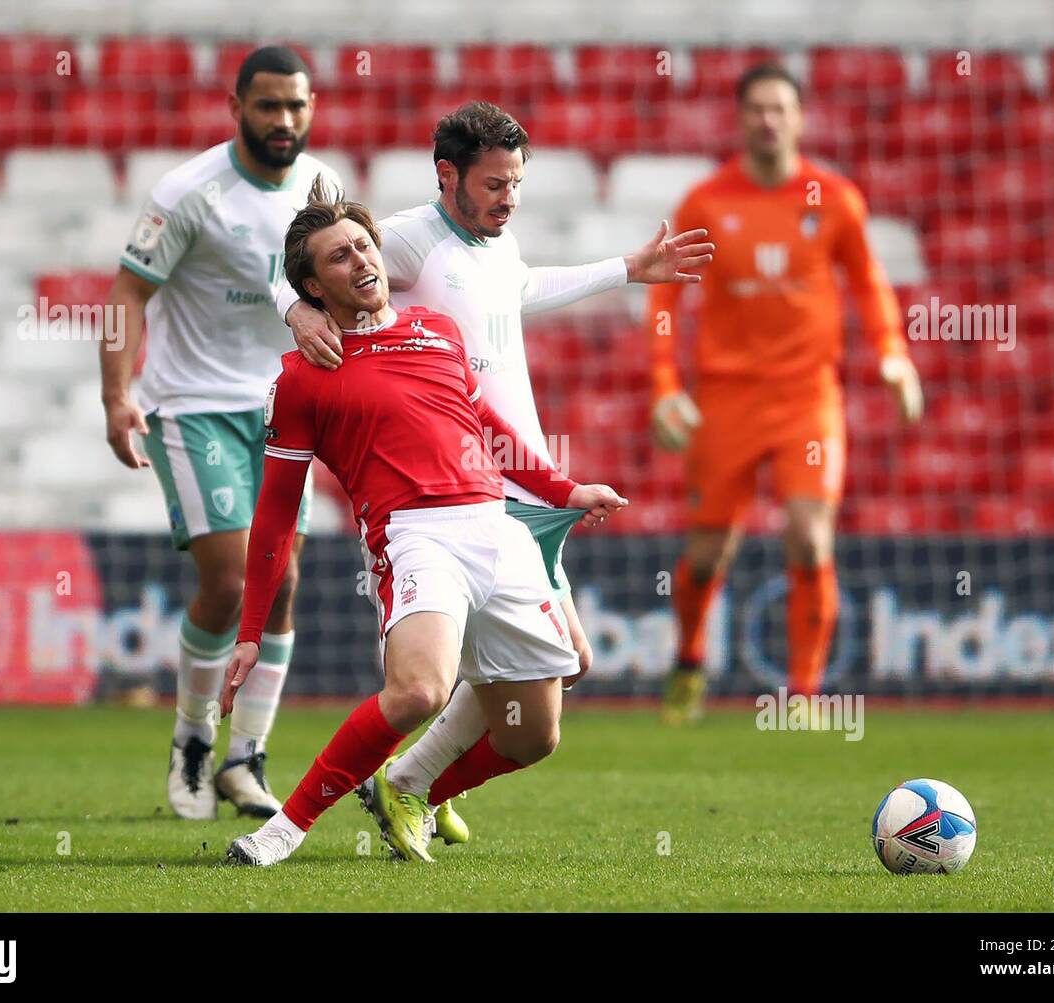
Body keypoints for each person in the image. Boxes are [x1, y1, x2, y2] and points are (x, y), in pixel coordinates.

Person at [275, 102, 711, 841]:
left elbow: (521, 288)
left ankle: (413, 782)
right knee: (560, 664)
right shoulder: (411, 237)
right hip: (474, 488)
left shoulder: (495, 243)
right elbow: (301, 253)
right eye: (494, 183)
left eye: (516, 182)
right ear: (448, 175)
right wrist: (294, 310)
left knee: (557, 666)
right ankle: (411, 784)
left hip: (523, 477)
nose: (509, 197)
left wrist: (625, 271)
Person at [222, 179, 627, 865]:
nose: (360, 261)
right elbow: (276, 511)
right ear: (313, 289)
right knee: (417, 691)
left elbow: (489, 427)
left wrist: (564, 487)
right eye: (338, 258)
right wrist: (252, 631)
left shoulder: (436, 330)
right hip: (415, 536)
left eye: (362, 245)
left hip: (498, 527)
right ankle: (280, 831)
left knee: (534, 735)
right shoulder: (302, 376)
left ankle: (413, 783)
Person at [102, 46, 344, 818]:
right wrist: (116, 396)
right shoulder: (189, 192)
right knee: (233, 578)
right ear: (235, 106)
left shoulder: (323, 186)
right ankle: (194, 739)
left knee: (285, 585)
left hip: (283, 406)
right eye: (268, 105)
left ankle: (247, 758)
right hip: (193, 401)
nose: (284, 121)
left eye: (297, 106)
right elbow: (126, 294)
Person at [647, 63, 923, 724]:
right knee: (709, 552)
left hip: (807, 396)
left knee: (808, 536)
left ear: (799, 117)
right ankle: (689, 659)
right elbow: (663, 295)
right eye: (757, 109)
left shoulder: (835, 198)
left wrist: (894, 353)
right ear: (740, 119)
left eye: (780, 108)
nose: (768, 119)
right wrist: (663, 383)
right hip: (726, 396)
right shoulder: (706, 202)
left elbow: (870, 284)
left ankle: (803, 694)